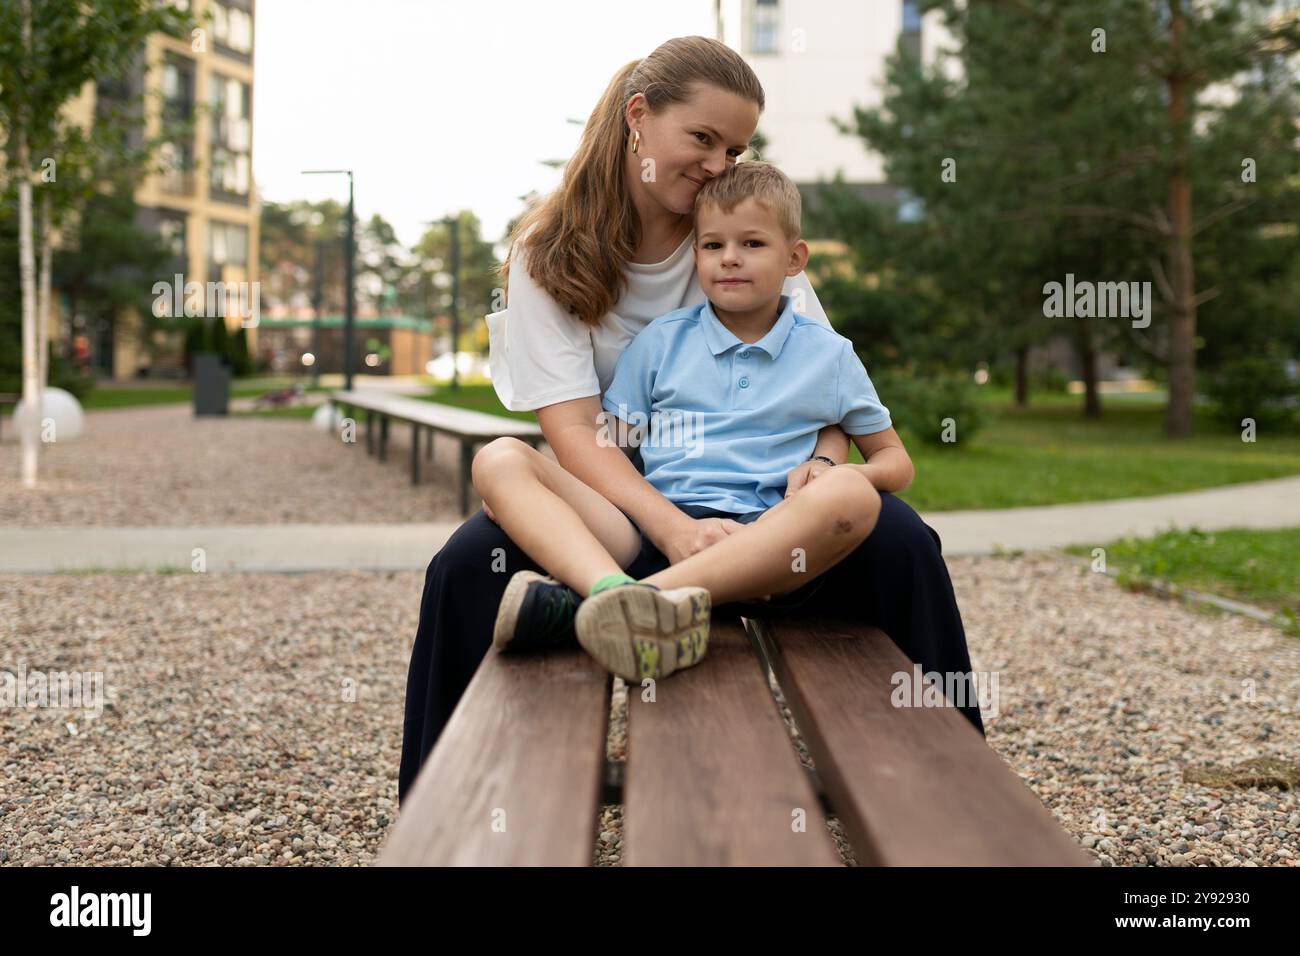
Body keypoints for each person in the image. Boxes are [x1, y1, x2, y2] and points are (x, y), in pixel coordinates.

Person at [398, 36, 984, 806]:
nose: (718, 163)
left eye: (734, 146)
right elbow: (576, 434)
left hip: (761, 504)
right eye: (702, 139)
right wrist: (671, 526)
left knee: (904, 541)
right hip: (621, 499)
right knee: (469, 564)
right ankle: (443, 801)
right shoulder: (547, 254)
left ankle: (956, 778)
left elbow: (818, 383)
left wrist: (830, 464)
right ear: (639, 118)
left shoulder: (742, 228)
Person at [474, 161, 895, 685]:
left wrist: (835, 468)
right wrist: (539, 488)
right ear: (695, 254)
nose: (731, 259)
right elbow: (614, 443)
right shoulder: (660, 341)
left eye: (752, 245)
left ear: (795, 259)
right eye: (713, 245)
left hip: (765, 534)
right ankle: (609, 592)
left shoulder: (827, 354)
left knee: (853, 497)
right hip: (649, 529)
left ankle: (626, 603)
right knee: (501, 457)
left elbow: (893, 462)